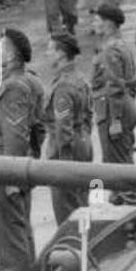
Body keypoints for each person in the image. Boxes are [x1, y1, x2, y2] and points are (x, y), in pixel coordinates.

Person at [0, 27, 46, 271]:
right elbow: (38, 130)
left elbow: (15, 134)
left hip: (4, 164)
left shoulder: (13, 87)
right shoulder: (31, 82)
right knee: (20, 225)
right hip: (18, 162)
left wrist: (11, 176)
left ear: (11, 55)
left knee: (8, 230)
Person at [44, 31, 94, 224]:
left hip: (66, 152)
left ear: (61, 54)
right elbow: (89, 114)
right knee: (82, 202)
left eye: (50, 50)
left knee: (67, 212)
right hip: (83, 142)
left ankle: (73, 249)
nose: (47, 54)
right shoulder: (79, 78)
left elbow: (63, 129)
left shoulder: (63, 86)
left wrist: (64, 165)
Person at [90, 5, 136, 164]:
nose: (94, 23)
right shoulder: (122, 45)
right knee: (123, 157)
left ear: (109, 23)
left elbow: (115, 86)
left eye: (97, 20)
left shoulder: (110, 50)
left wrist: (116, 119)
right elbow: (131, 84)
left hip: (113, 112)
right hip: (125, 107)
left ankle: (125, 190)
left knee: (115, 163)